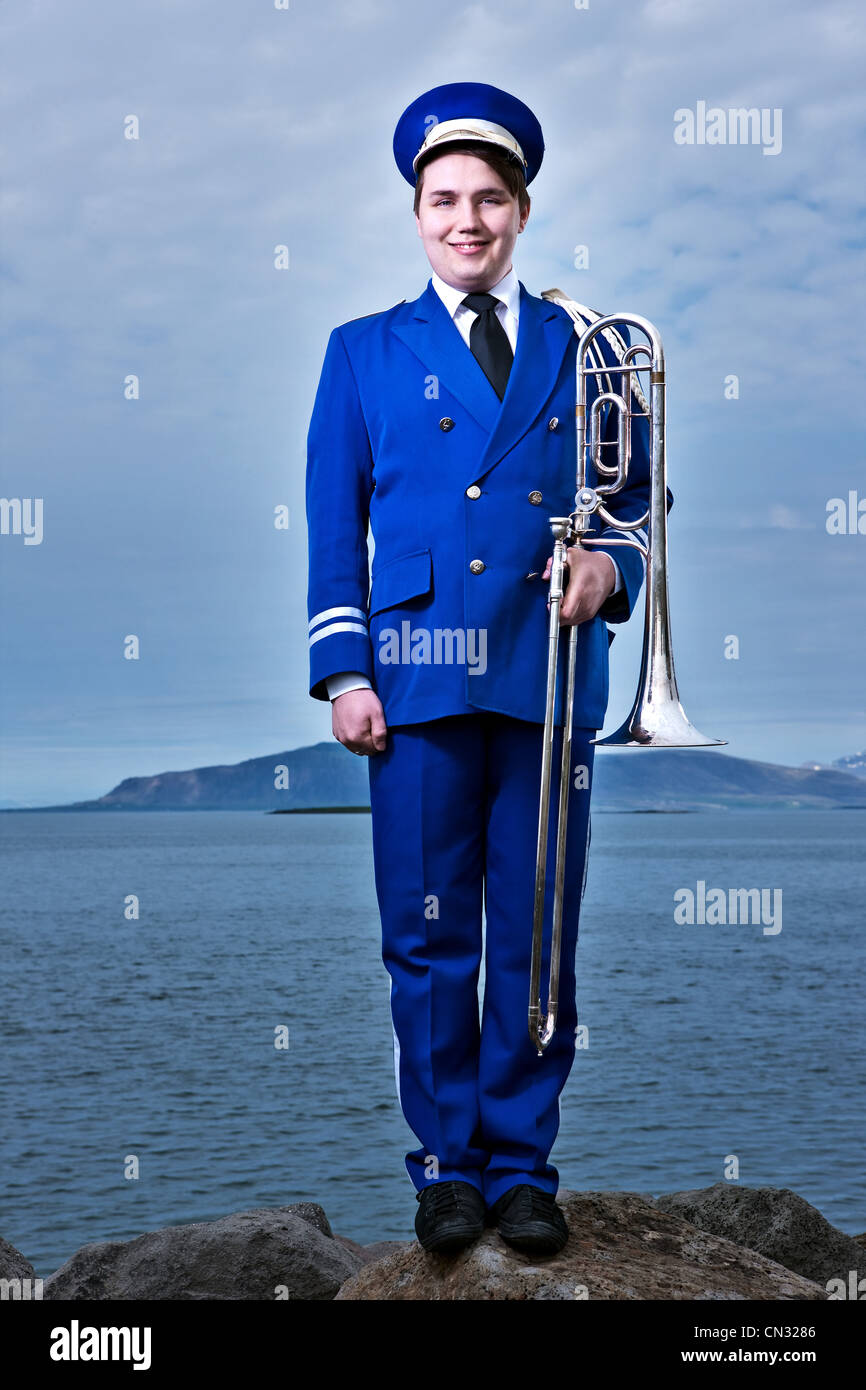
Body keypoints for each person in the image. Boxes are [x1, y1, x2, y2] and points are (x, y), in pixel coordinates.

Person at [305, 82, 657, 1256]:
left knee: (536, 931)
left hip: (547, 673)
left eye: (488, 199)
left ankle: (523, 1168)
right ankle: (446, 1168)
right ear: (415, 215)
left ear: (520, 210)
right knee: (425, 933)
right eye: (443, 199)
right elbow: (331, 525)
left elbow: (631, 502)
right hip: (410, 676)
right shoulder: (359, 353)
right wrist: (344, 672)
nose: (466, 220)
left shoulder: (589, 345)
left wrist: (610, 569)